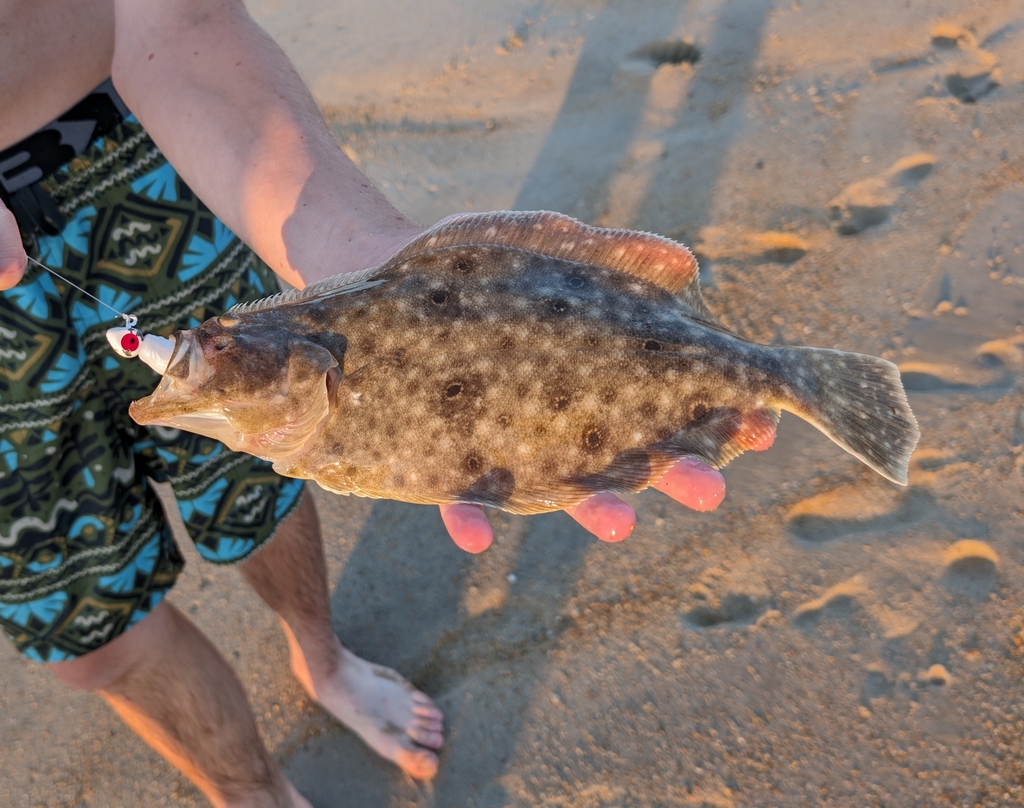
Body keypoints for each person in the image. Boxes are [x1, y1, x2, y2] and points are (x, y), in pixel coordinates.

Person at [0, 1, 766, 805]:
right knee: (85, 630)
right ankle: (251, 794)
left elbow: (177, 21)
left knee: (254, 483)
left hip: (129, 154)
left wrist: (366, 257)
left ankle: (322, 657)